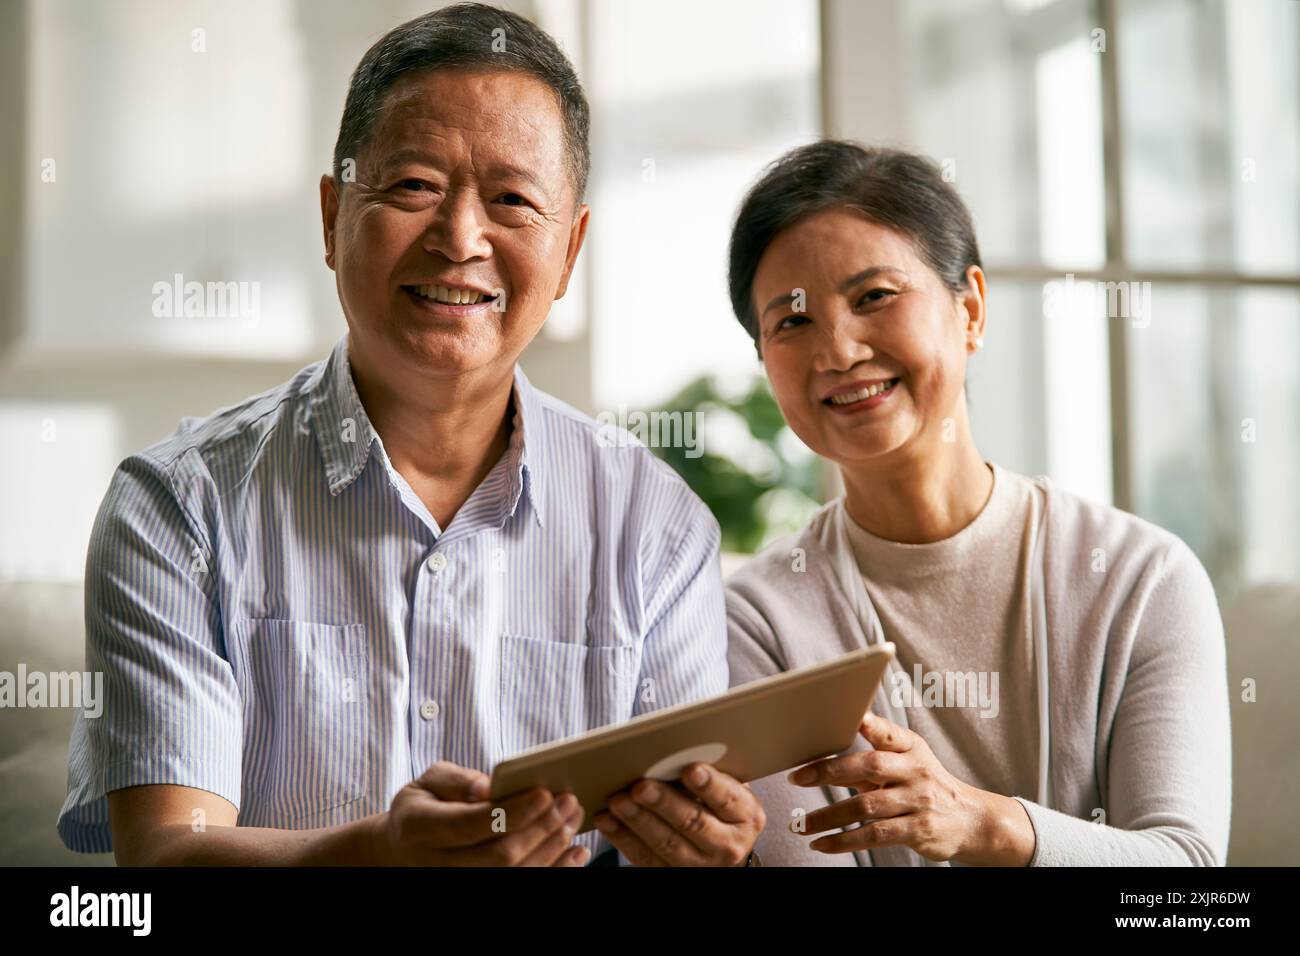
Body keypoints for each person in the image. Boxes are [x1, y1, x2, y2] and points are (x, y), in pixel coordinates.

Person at [58, 2, 763, 867]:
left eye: (512, 200)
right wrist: (377, 858)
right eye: (414, 187)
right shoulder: (178, 505)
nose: (460, 238)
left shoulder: (656, 527)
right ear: (330, 216)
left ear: (570, 252)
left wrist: (699, 853)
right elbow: (165, 858)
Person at [724, 140, 1231, 866]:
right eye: (792, 322)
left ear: (971, 309)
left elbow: (1185, 886)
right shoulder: (756, 622)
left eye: (874, 297)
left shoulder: (1140, 580)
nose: (837, 351)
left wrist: (981, 825)